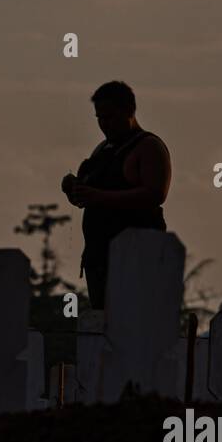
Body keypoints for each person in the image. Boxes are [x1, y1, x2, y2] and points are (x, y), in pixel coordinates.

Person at [61, 81, 171, 309]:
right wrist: (74, 189)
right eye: (100, 118)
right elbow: (86, 198)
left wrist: (98, 196)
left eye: (110, 117)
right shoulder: (102, 150)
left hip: (137, 258)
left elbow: (155, 194)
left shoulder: (149, 147)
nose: (104, 124)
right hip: (99, 259)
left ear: (129, 111)